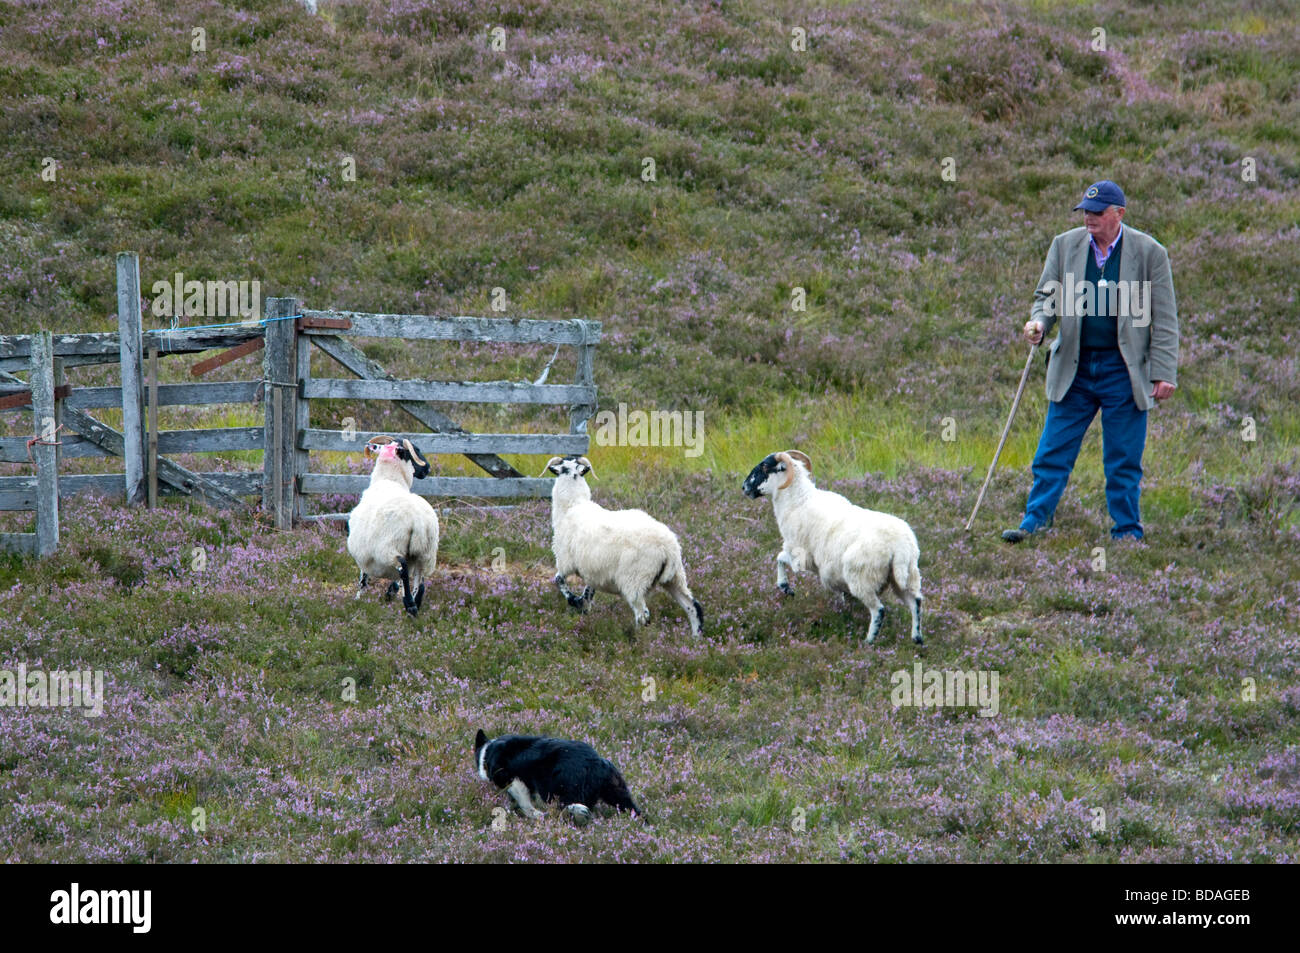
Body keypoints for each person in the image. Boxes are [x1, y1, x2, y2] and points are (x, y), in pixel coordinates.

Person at [1002, 180, 1179, 544]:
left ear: (1119, 214)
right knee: (1052, 451)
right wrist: (1039, 322)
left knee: (1123, 458)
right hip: (1074, 367)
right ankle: (1033, 523)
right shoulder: (1064, 245)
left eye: (1097, 213)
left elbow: (1165, 318)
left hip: (1124, 371)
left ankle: (1127, 531)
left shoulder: (1150, 253)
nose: (1089, 218)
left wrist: (1163, 372)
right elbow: (1046, 296)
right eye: (1085, 211)